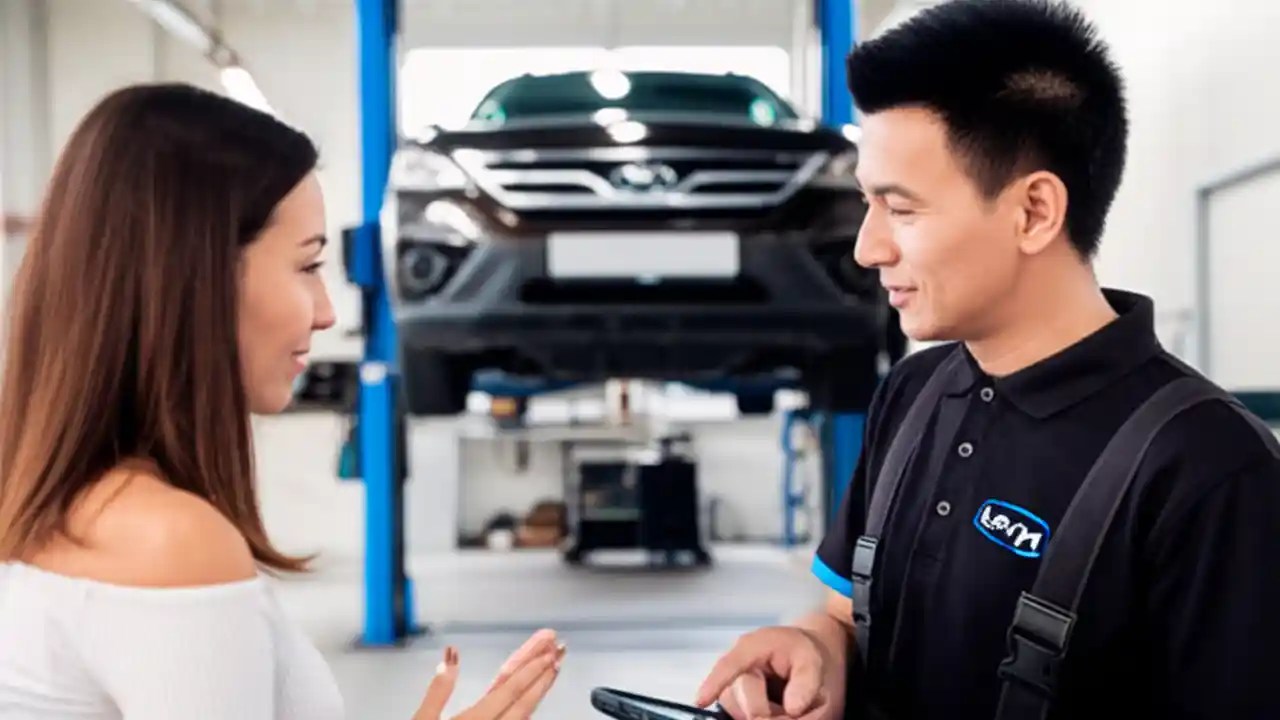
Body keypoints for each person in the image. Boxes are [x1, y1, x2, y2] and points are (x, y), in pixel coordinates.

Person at [695, 1, 1280, 718]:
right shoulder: (912, 395)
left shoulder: (1210, 471)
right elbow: (846, 613)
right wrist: (816, 648)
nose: (867, 248)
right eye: (866, 205)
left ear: (1034, 211)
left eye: (901, 209)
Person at [0, 83, 564, 719]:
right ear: (199, 278)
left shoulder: (51, 503)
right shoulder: (169, 544)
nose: (326, 313)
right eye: (306, 266)